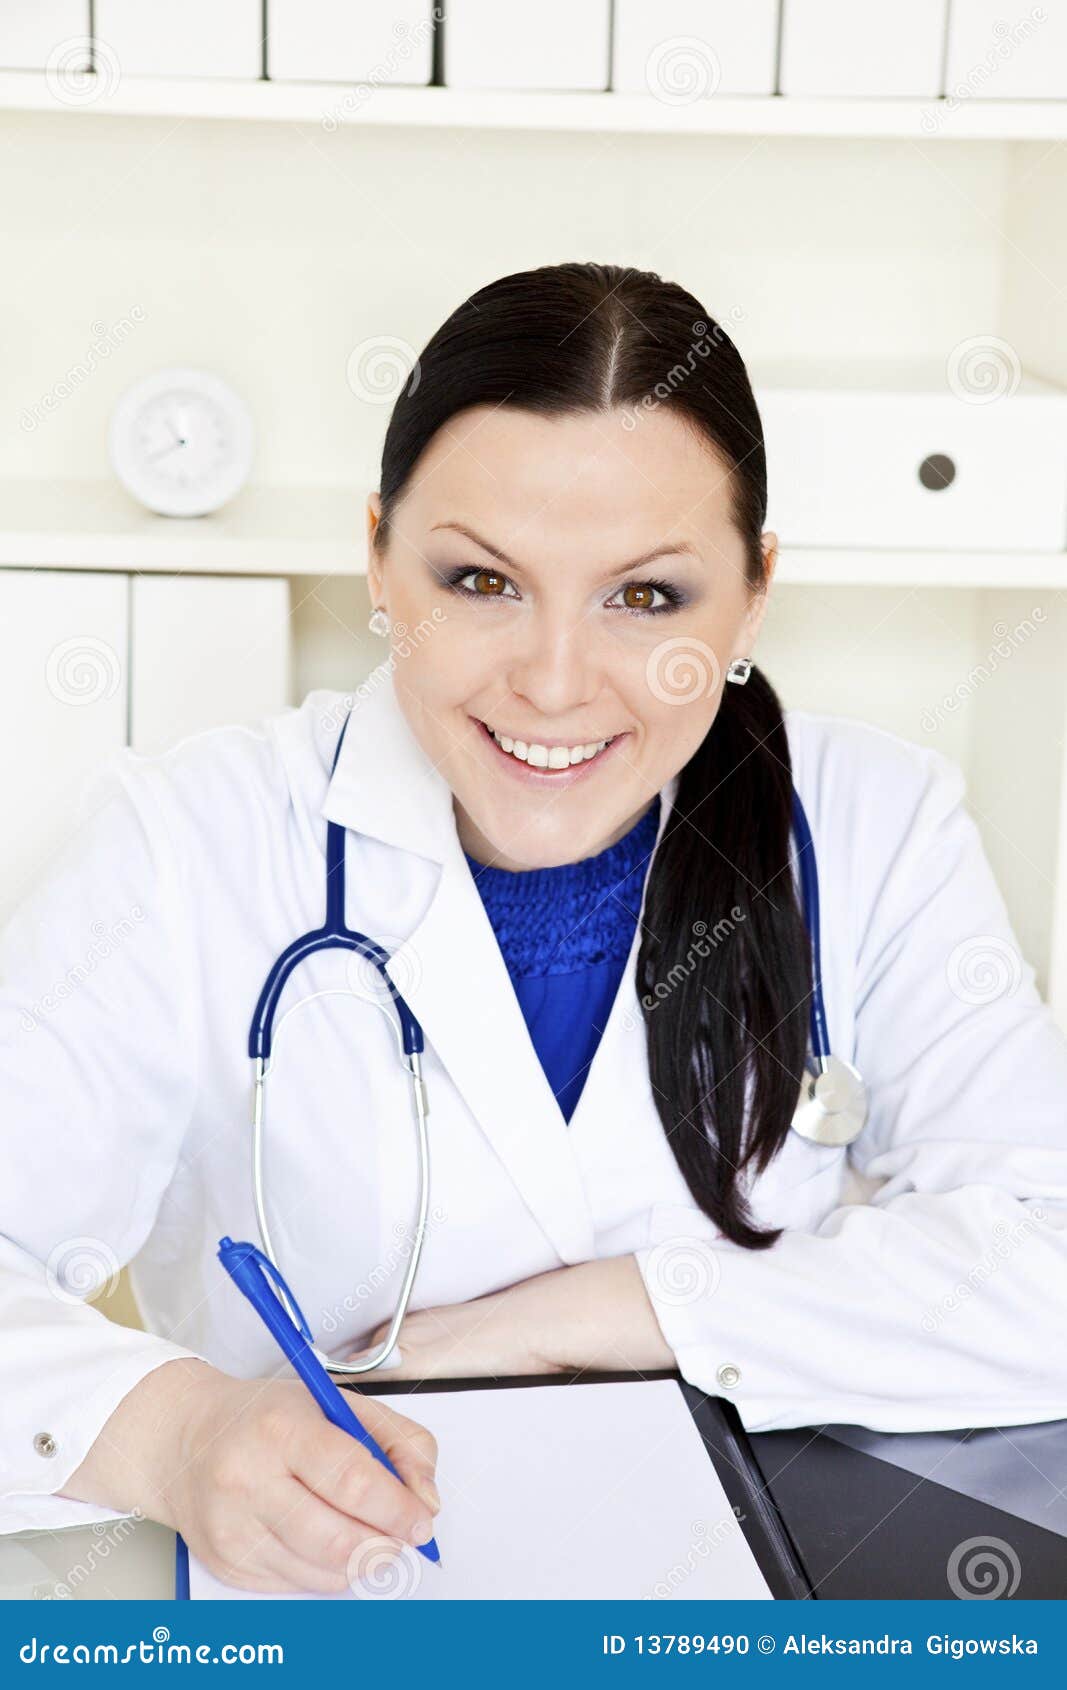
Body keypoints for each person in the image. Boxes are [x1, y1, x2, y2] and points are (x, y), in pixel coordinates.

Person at [2, 263, 1065, 1595]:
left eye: (646, 595)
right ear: (380, 559)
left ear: (753, 589)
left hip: (735, 1602)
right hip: (329, 1599)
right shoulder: (193, 844)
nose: (555, 682)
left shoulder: (870, 824)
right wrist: (169, 1434)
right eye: (480, 580)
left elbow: (1049, 1247)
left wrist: (580, 1317)